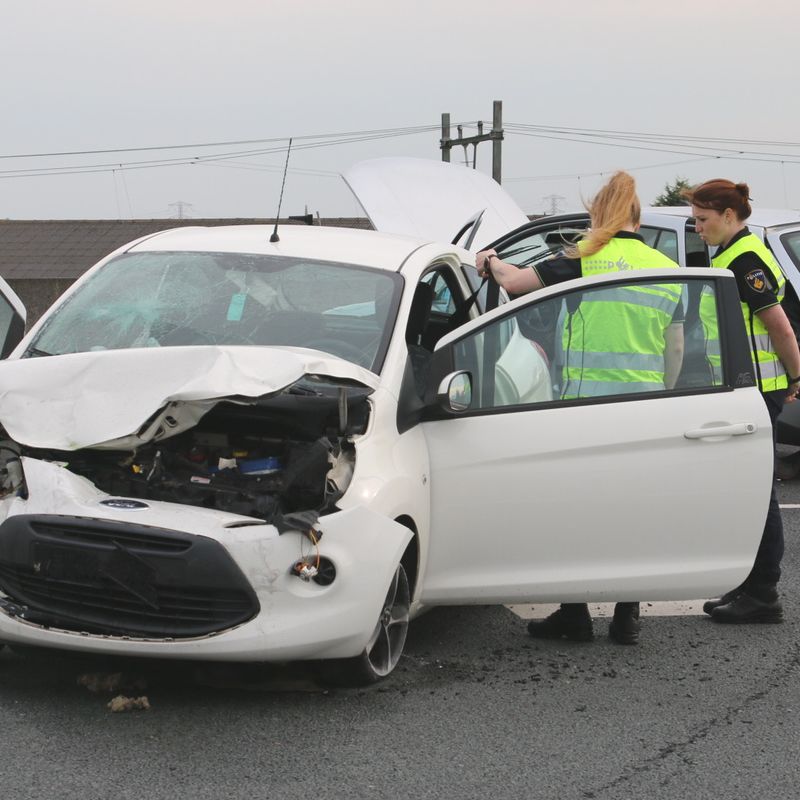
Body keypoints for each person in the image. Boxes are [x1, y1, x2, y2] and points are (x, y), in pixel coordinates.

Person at [476, 171, 684, 645]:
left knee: (578, 510)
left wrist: (490, 260)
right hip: (646, 408)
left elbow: (515, 283)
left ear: (598, 214)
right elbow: (675, 348)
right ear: (637, 219)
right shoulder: (665, 266)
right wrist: (665, 396)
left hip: (587, 409)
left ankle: (575, 615)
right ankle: (627, 616)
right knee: (632, 513)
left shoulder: (585, 256)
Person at [684, 179, 800, 624]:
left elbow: (780, 326)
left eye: (703, 219)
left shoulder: (744, 259)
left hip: (759, 392)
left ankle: (764, 593)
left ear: (729, 216)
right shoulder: (731, 253)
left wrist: (796, 376)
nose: (697, 228)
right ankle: (750, 584)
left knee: (758, 492)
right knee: (746, 489)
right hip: (745, 389)